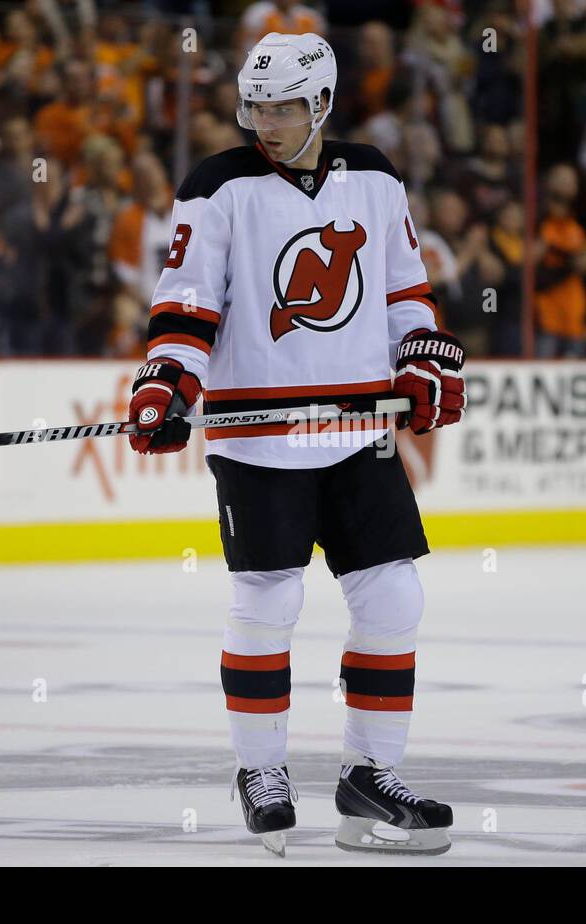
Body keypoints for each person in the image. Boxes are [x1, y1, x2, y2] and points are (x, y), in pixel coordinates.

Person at [128, 33, 463, 856]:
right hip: (260, 440)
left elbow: (404, 293)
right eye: (256, 108)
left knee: (393, 600)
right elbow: (186, 307)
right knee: (268, 602)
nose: (265, 124)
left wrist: (422, 355)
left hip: (357, 433)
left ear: (322, 103)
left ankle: (369, 777)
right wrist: (166, 382)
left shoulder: (376, 177)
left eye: (281, 109)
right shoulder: (218, 186)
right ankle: (262, 773)